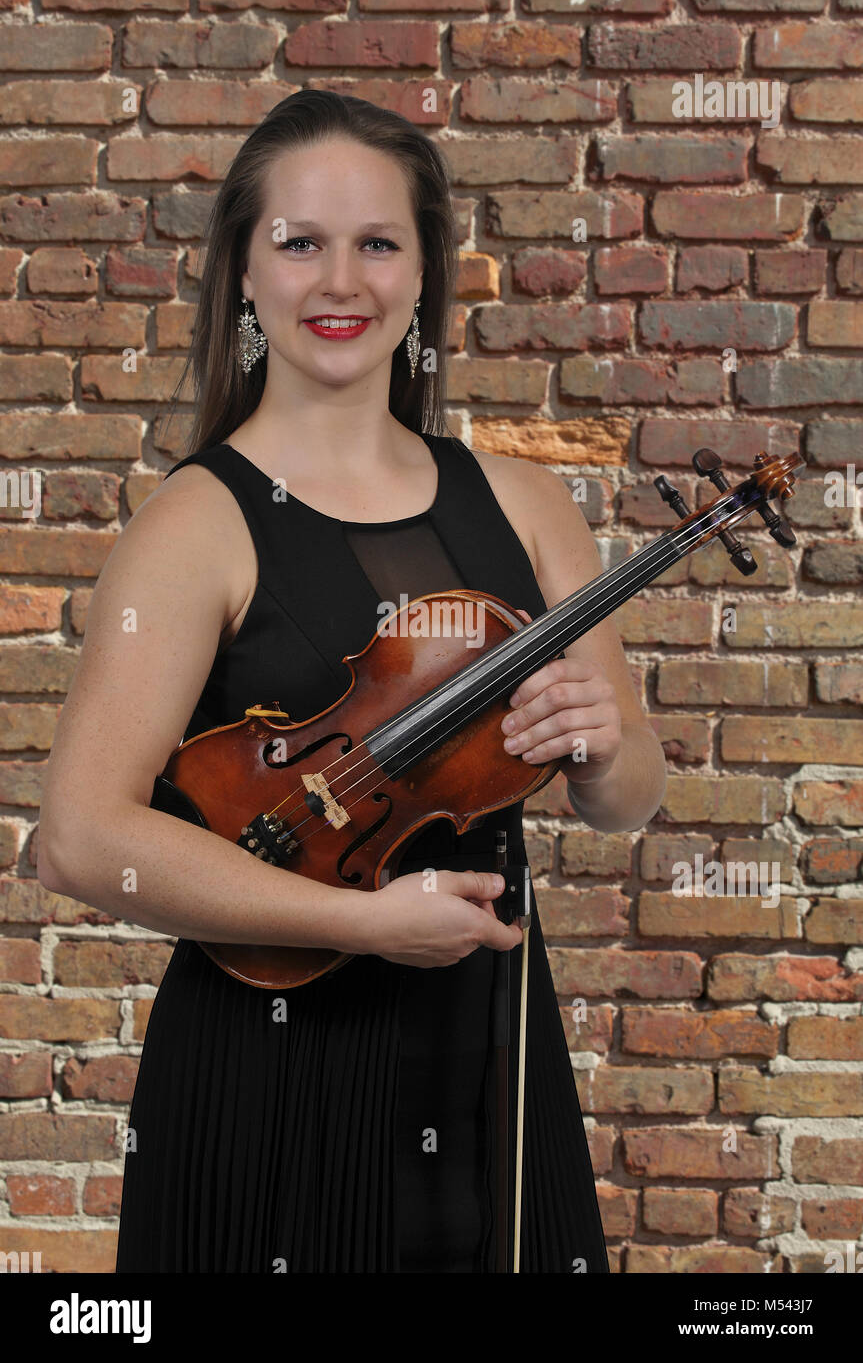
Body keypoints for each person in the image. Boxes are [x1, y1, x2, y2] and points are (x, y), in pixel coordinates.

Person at [37, 89, 667, 1273]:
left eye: (377, 242)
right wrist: (359, 923)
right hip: (271, 1068)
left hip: (487, 1049)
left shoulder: (526, 506)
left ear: (425, 273)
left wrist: (605, 742)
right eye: (299, 243)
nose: (341, 282)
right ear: (242, 272)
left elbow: (625, 796)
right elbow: (80, 837)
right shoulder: (194, 524)